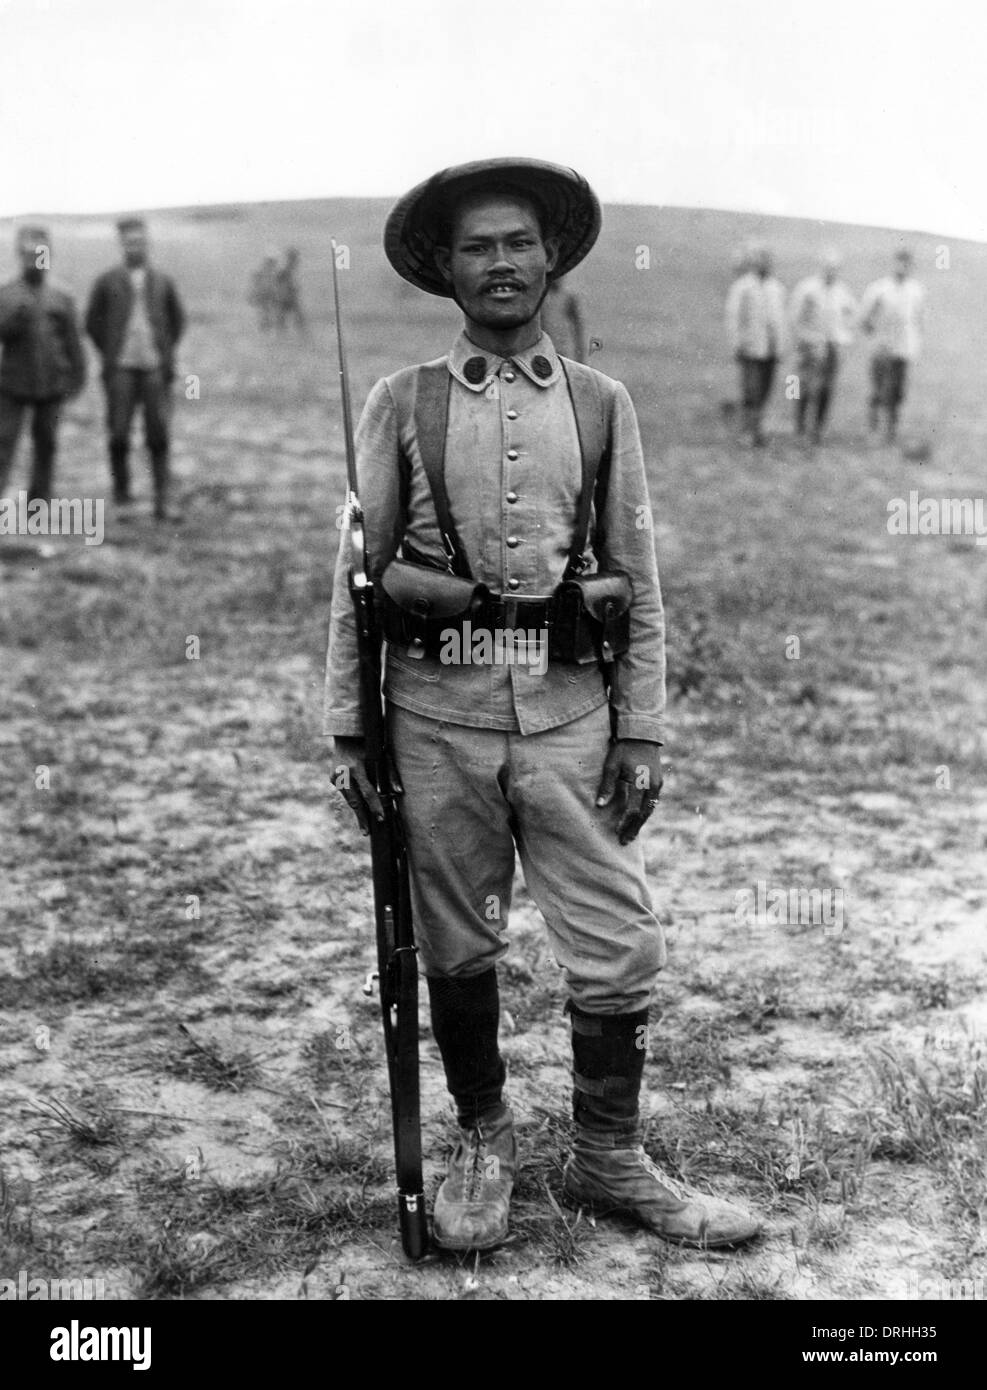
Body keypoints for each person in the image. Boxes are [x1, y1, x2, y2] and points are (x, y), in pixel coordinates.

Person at [325, 157, 761, 1253]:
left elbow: (640, 575)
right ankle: (483, 1139)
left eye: (520, 242)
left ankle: (611, 1156)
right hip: (436, 725)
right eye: (479, 246)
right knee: (457, 942)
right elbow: (359, 577)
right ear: (446, 268)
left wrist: (645, 730)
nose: (503, 263)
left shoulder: (603, 404)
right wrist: (349, 733)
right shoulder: (400, 401)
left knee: (621, 942)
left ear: (551, 258)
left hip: (573, 722)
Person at [85, 217, 185, 520]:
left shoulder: (162, 281)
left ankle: (161, 499)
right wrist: (112, 351)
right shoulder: (107, 281)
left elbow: (176, 321)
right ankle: (122, 493)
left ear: (147, 243)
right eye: (129, 242)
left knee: (158, 434)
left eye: (140, 241)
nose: (135, 247)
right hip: (121, 370)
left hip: (155, 370)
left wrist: (163, 351)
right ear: (122, 245)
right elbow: (92, 323)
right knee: (118, 433)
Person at [0, 226, 86, 503]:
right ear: (19, 256)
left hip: (51, 383)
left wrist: (77, 378)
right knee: (3, 444)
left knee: (46, 444)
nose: (34, 260)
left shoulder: (62, 295)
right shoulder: (6, 293)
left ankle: (39, 503)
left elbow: (73, 342)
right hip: (12, 384)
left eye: (40, 254)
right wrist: (15, 320)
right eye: (27, 254)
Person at [788, 250, 857, 443]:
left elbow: (852, 315)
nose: (831, 272)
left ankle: (818, 429)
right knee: (802, 386)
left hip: (832, 346)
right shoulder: (807, 288)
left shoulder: (842, 291)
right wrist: (806, 339)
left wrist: (843, 337)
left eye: (835, 268)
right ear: (821, 267)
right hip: (809, 345)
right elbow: (795, 318)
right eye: (827, 267)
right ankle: (799, 426)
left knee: (826, 388)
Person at [859, 248, 925, 443]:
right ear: (893, 263)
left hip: (903, 350)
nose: (902, 268)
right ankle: (873, 428)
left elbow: (919, 321)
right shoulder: (879, 289)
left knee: (897, 392)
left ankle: (891, 431)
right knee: (878, 389)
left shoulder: (916, 291)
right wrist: (876, 335)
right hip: (882, 349)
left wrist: (915, 345)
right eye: (899, 262)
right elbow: (865, 318)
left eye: (906, 264)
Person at [724, 240, 786, 446]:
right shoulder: (742, 287)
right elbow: (733, 317)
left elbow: (780, 320)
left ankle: (758, 431)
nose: (764, 263)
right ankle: (746, 433)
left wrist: (781, 346)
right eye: (760, 258)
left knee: (765, 392)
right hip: (750, 349)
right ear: (753, 261)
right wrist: (737, 344)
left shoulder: (776, 287)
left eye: (767, 259)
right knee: (751, 391)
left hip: (771, 349)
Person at [540, 274, 587, 362]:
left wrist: (580, 354)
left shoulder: (568, 297)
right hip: (545, 347)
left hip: (563, 347)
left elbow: (578, 327)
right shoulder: (541, 297)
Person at [274, 247, 306, 333]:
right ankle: (281, 334)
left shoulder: (291, 269)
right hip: (286, 297)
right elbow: (280, 283)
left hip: (291, 297)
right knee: (283, 318)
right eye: (294, 259)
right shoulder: (285, 270)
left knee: (296, 317)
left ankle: (300, 333)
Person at [249, 251, 280, 329]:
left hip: (270, 295)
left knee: (268, 311)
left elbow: (276, 285)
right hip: (263, 294)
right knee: (264, 311)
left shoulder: (275, 273)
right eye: (270, 262)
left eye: (272, 262)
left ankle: (266, 324)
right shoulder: (260, 272)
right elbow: (255, 284)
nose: (271, 264)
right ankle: (264, 324)